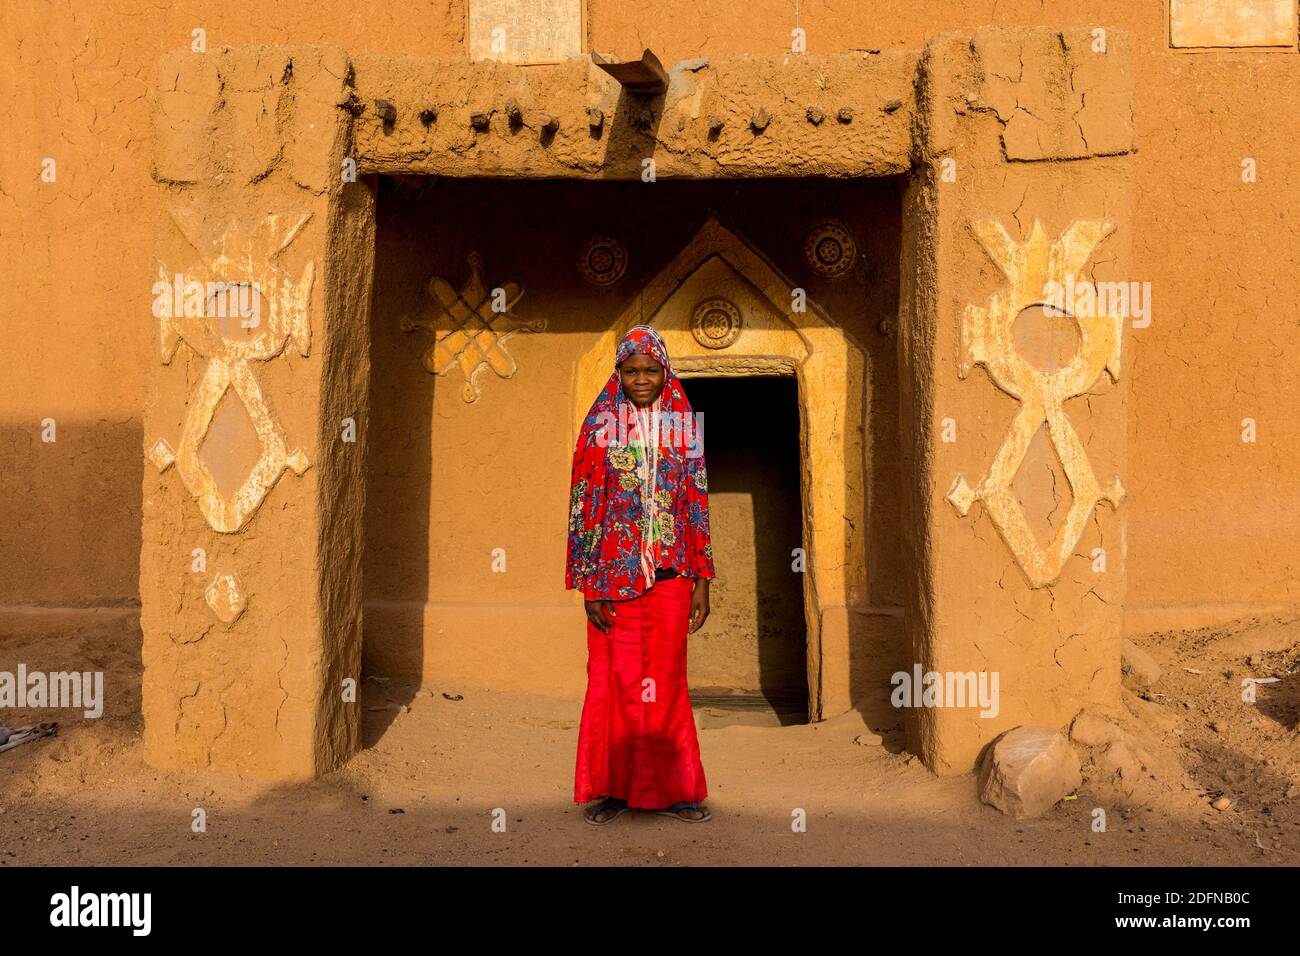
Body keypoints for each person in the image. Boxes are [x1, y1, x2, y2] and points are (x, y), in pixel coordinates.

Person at [565, 324, 717, 825]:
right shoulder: (599, 427)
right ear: (619, 372)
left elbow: (695, 504)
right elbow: (584, 508)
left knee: (666, 681)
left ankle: (675, 793)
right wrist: (589, 583)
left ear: (665, 371)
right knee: (614, 682)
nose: (642, 379)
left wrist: (702, 579)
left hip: (671, 578)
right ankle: (612, 790)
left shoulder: (684, 426)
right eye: (632, 370)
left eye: (651, 370)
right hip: (612, 576)